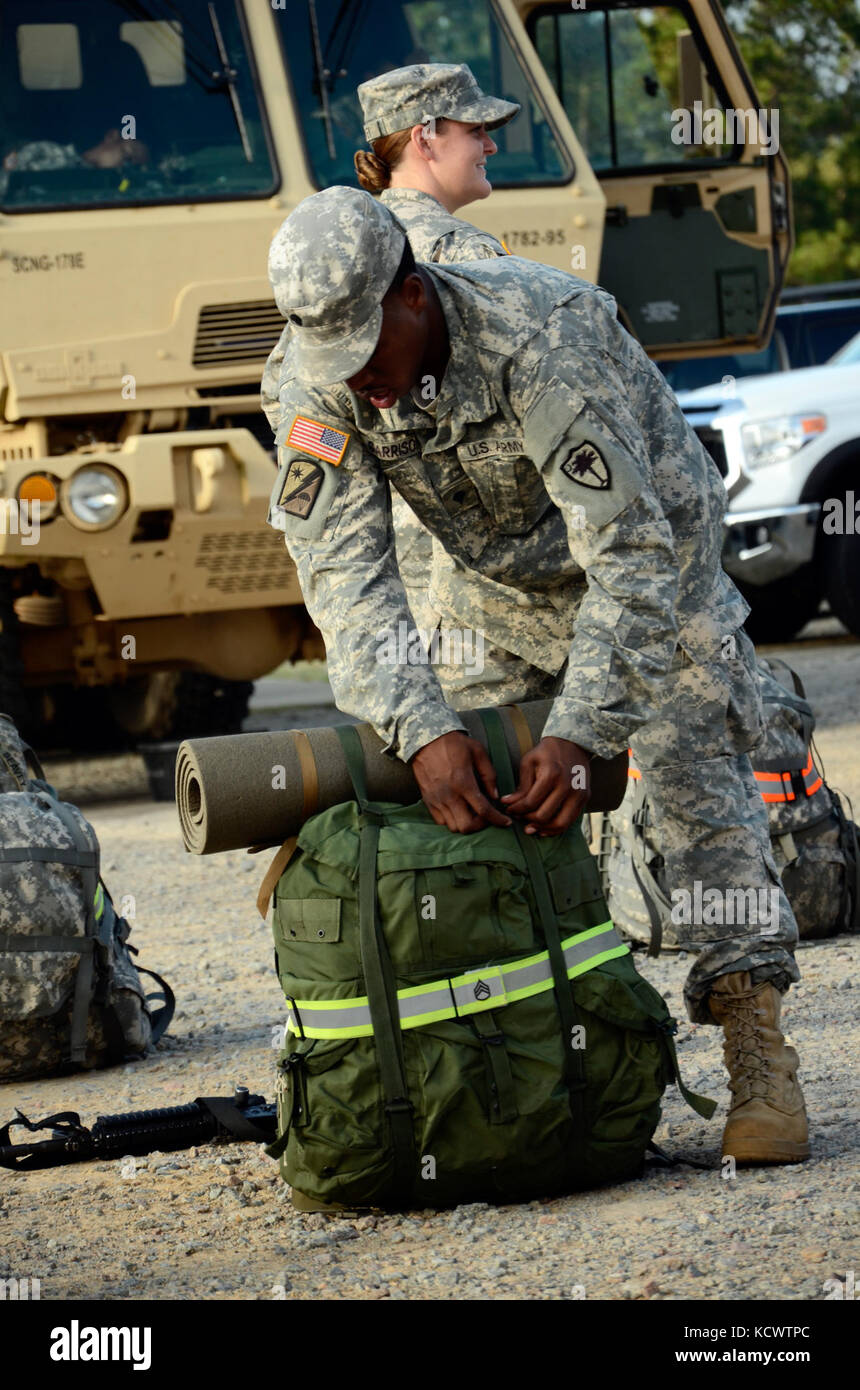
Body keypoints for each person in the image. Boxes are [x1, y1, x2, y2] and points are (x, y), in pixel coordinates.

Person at [263, 178, 810, 1168]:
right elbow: (344, 578)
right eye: (330, 360)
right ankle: (525, 1066)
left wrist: (581, 733)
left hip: (656, 565)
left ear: (414, 294)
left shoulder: (541, 339)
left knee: (691, 773)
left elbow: (632, 557)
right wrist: (421, 730)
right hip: (491, 594)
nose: (356, 380)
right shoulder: (315, 380)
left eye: (365, 351)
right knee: (469, 813)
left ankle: (753, 1044)